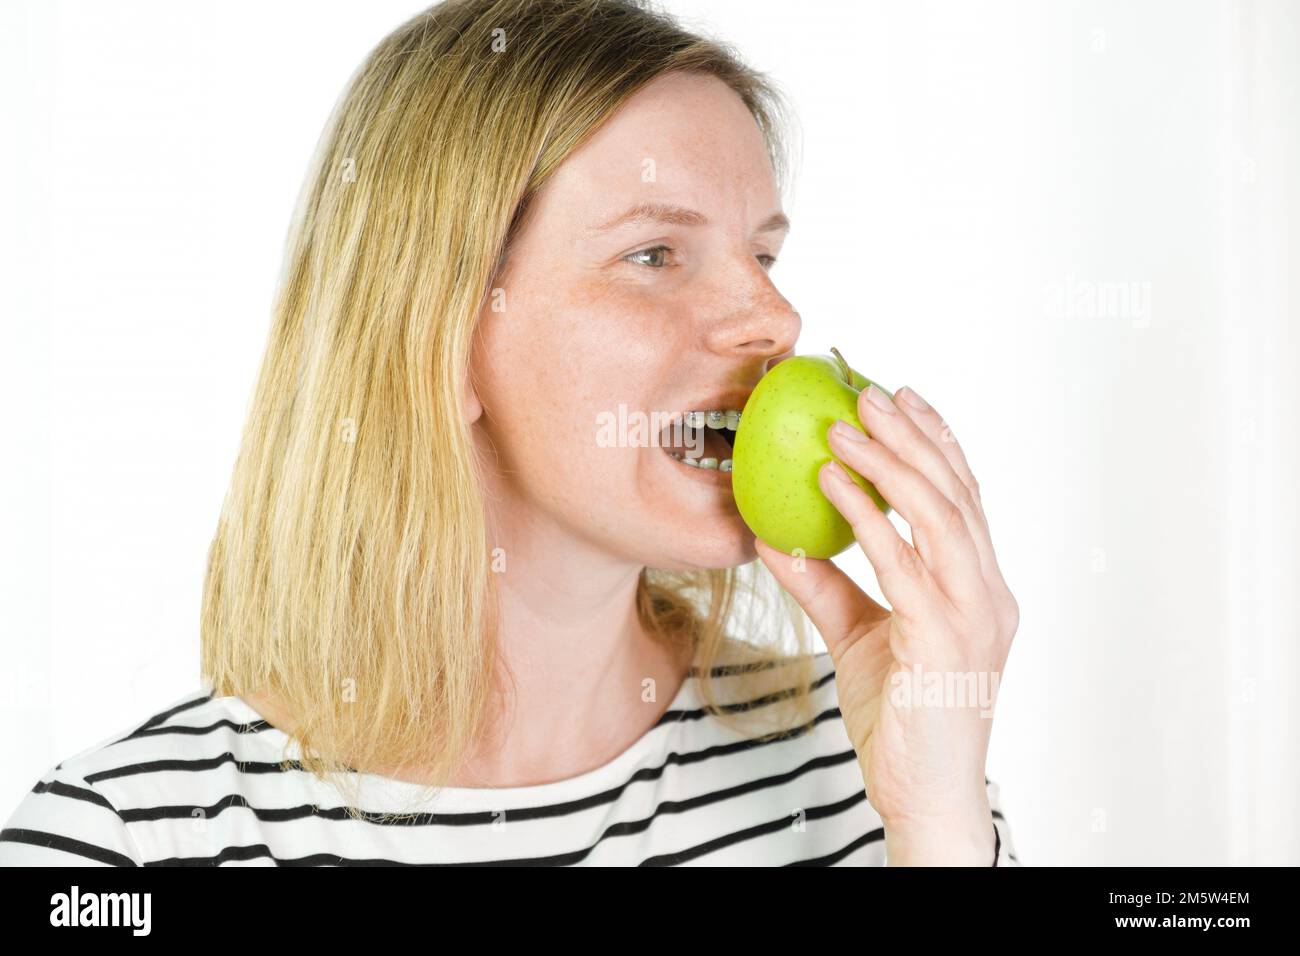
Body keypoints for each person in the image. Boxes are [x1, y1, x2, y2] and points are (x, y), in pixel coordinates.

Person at [0, 0, 1021, 866]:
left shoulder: (866, 754)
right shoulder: (125, 838)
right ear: (439, 333)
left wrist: (936, 824)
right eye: (657, 252)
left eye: (762, 253)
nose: (774, 320)